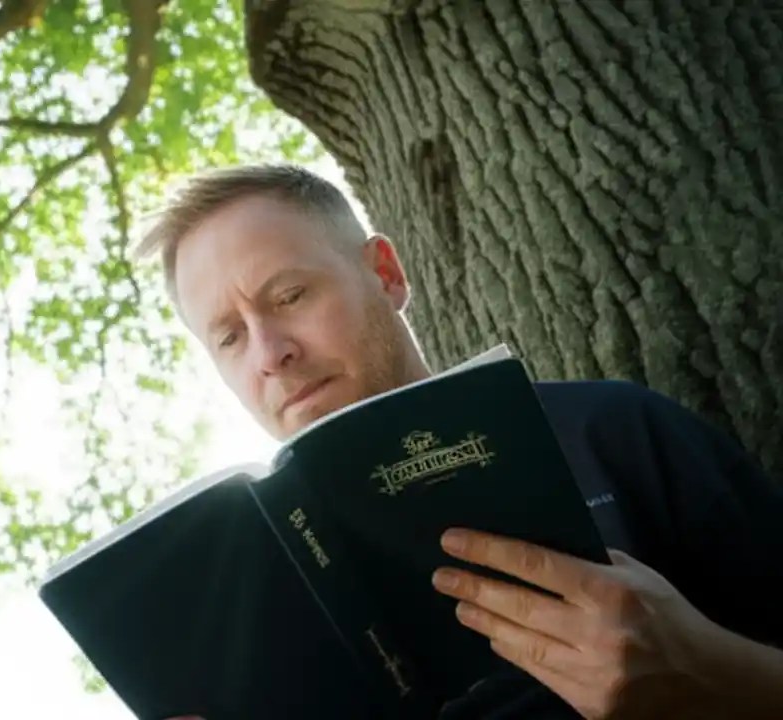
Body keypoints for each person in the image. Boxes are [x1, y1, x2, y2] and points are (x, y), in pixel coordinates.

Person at [129, 164, 783, 719]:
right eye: (229, 338)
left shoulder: (612, 430)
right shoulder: (256, 618)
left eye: (290, 295)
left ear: (385, 274)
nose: (270, 354)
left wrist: (713, 671)